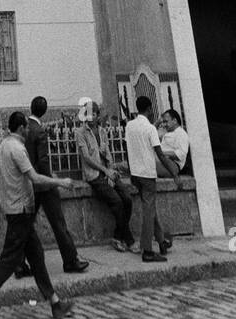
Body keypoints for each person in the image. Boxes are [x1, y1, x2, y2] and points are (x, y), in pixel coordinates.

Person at [0, 112, 76, 319]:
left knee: (37, 256)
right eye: (26, 128)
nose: (28, 130)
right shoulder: (17, 149)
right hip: (20, 210)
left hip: (15, 208)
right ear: (21, 128)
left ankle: (55, 303)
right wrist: (61, 182)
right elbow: (35, 179)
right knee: (9, 259)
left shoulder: (2, 146)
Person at [15, 97, 88, 277]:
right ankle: (70, 260)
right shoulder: (39, 131)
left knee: (26, 225)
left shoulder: (25, 128)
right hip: (44, 185)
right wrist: (52, 179)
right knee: (58, 223)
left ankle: (18, 263)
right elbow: (42, 160)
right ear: (45, 111)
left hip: (30, 183)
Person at [76, 100, 135, 253]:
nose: (90, 117)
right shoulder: (80, 133)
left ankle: (117, 236)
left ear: (97, 115)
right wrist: (105, 171)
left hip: (107, 172)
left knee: (127, 199)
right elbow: (87, 158)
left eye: (93, 114)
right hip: (94, 175)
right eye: (87, 114)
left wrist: (110, 170)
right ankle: (129, 239)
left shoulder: (102, 131)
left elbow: (107, 152)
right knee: (116, 201)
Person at [125, 96, 176, 263]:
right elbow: (160, 155)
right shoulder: (150, 129)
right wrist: (175, 175)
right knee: (148, 212)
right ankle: (147, 250)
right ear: (149, 109)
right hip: (147, 174)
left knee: (150, 208)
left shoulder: (129, 126)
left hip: (135, 174)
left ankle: (161, 241)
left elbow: (129, 149)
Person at [159, 109, 190, 176]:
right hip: (163, 161)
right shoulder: (167, 133)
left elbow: (181, 154)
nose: (164, 125)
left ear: (175, 121)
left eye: (166, 122)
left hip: (173, 165)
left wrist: (160, 153)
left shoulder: (181, 134)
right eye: (163, 122)